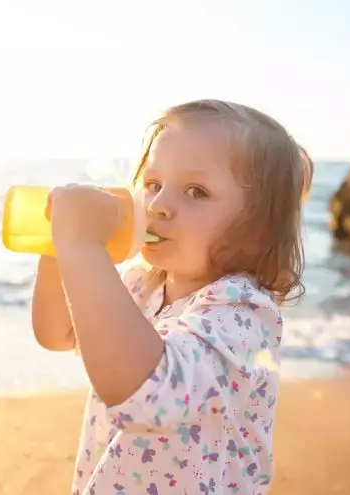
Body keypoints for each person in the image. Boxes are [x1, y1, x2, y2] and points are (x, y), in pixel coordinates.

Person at [31, 99, 313, 494]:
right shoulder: (140, 284)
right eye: (152, 184)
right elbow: (57, 334)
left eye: (196, 191)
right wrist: (58, 246)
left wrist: (82, 247)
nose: (159, 205)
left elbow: (144, 389)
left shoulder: (243, 315)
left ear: (259, 230)